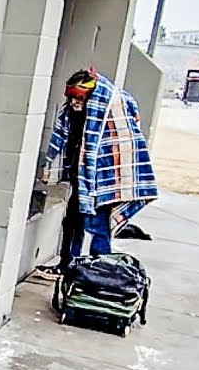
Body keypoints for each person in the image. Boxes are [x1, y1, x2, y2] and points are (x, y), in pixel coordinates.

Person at [39, 69, 158, 277]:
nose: (75, 102)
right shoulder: (71, 114)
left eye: (79, 97)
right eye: (71, 97)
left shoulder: (112, 109)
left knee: (98, 227)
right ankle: (68, 265)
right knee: (72, 223)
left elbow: (124, 137)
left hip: (103, 181)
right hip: (81, 177)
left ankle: (100, 270)